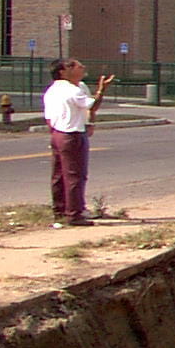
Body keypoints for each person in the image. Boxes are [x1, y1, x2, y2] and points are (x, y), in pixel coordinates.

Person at [42, 58, 115, 226]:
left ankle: (60, 211)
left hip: (58, 134)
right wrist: (102, 90)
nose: (81, 67)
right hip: (71, 135)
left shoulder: (56, 90)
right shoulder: (70, 90)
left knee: (59, 175)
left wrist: (88, 124)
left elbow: (49, 117)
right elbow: (92, 106)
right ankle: (74, 214)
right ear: (63, 71)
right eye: (75, 65)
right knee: (75, 175)